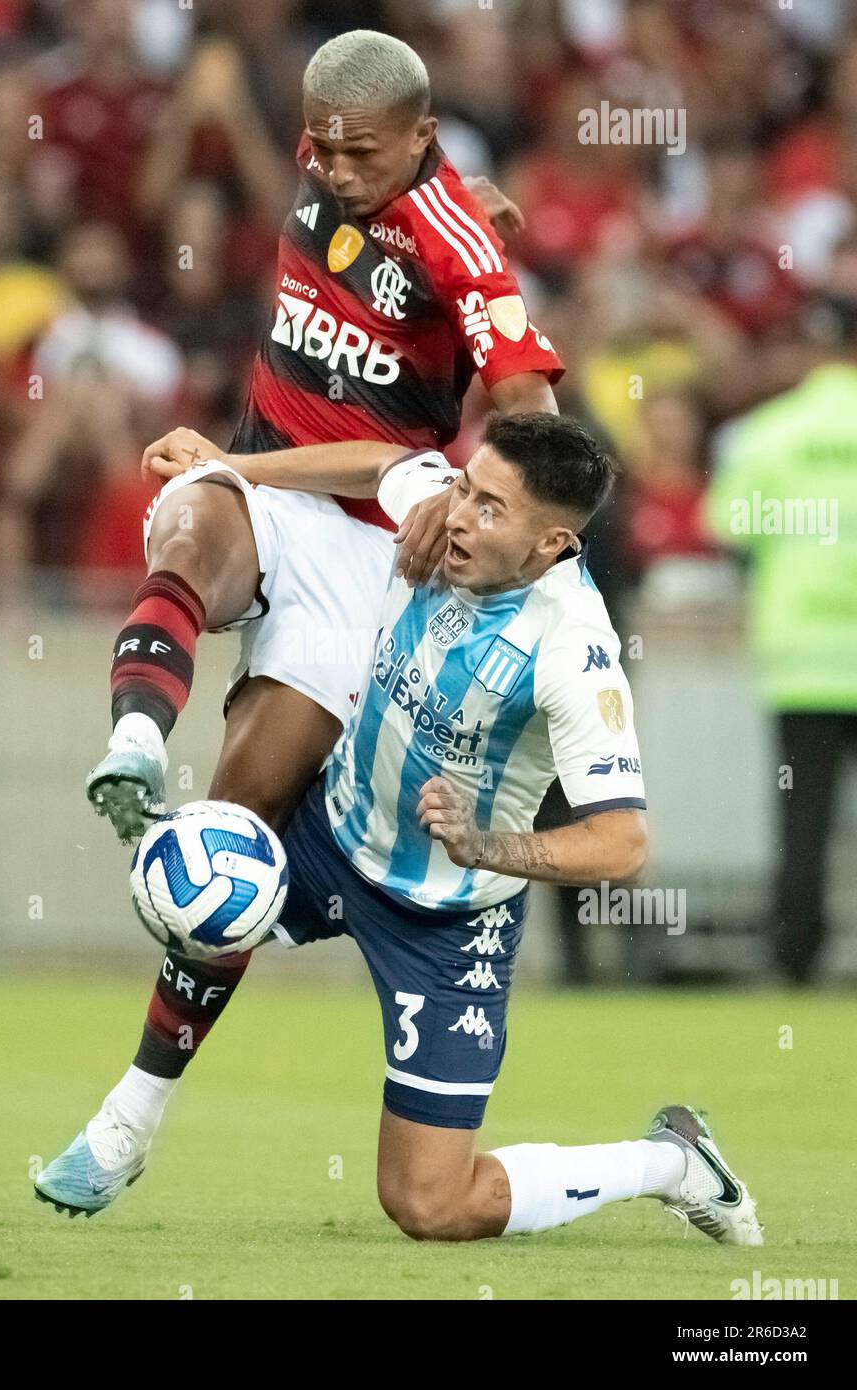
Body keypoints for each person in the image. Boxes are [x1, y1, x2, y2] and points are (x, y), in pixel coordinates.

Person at [37, 413, 762, 1247]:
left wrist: (489, 847)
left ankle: (673, 1162)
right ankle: (127, 1122)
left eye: (490, 509)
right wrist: (235, 463)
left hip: (449, 917)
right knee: (207, 894)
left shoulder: (573, 650)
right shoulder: (437, 514)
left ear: (551, 544)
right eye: (465, 486)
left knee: (430, 1205)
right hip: (334, 833)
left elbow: (625, 842)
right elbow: (390, 459)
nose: (456, 515)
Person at [75, 30, 561, 1129]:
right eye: (322, 151)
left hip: (362, 540)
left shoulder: (462, 248)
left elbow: (525, 399)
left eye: (361, 157)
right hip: (264, 492)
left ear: (422, 136)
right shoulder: (338, 154)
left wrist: (531, 518)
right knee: (190, 523)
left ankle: (133, 1111)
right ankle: (133, 742)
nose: (333, 171)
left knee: (237, 822)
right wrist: (424, 194)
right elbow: (377, 203)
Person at [706, 286, 857, 983]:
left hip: (804, 655)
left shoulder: (771, 432)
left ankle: (796, 956)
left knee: (805, 820)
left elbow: (726, 523)